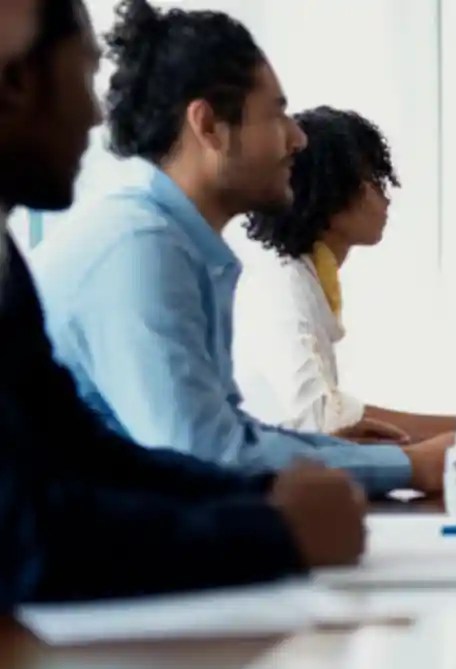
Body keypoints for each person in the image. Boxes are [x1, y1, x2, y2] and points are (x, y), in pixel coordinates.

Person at [29, 0, 456, 493]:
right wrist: (411, 465)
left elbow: (227, 432)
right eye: (277, 113)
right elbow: (207, 456)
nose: (298, 138)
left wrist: (353, 454)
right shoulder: (139, 249)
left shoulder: (171, 240)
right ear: (209, 127)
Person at [0, 0, 365, 607]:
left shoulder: (9, 261)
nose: (96, 114)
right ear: (16, 78)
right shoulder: (135, 243)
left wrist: (265, 496)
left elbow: (82, 452)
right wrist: (274, 531)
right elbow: (23, 537)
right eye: (83, 74)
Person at [235, 106, 456, 442]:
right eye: (373, 180)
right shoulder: (281, 288)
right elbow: (325, 419)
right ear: (331, 191)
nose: (386, 197)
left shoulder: (306, 279)